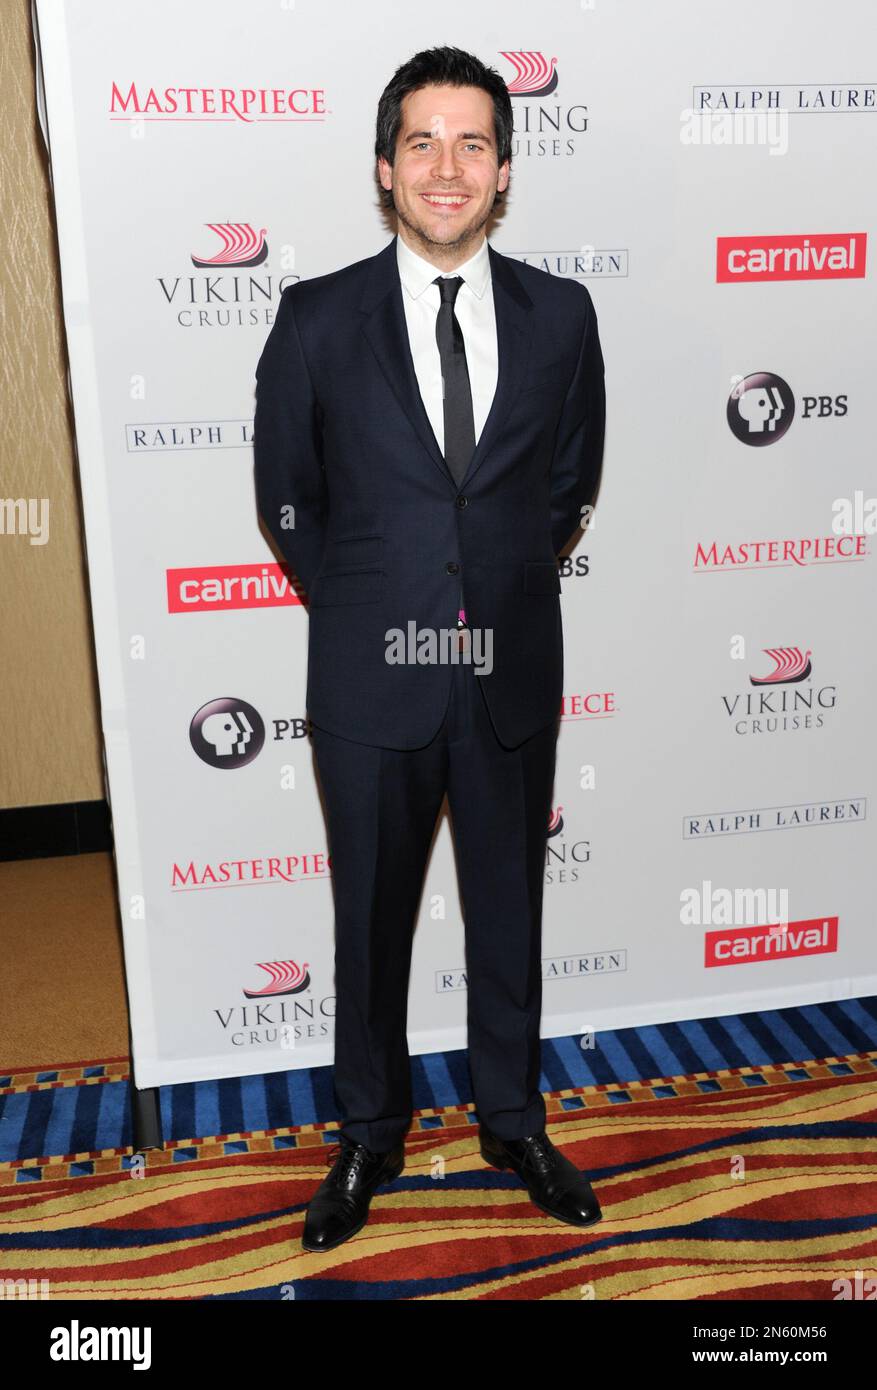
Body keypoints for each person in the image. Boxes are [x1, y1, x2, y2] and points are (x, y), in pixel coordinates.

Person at [254, 45, 606, 1253]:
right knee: (369, 921)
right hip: (369, 680)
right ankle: (369, 1132)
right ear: (383, 168)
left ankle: (512, 1118)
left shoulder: (562, 315)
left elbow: (568, 486)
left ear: (503, 171)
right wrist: (368, 608)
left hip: (509, 669)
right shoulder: (313, 318)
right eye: (421, 142)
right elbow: (287, 496)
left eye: (471, 144)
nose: (446, 166)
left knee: (509, 910)